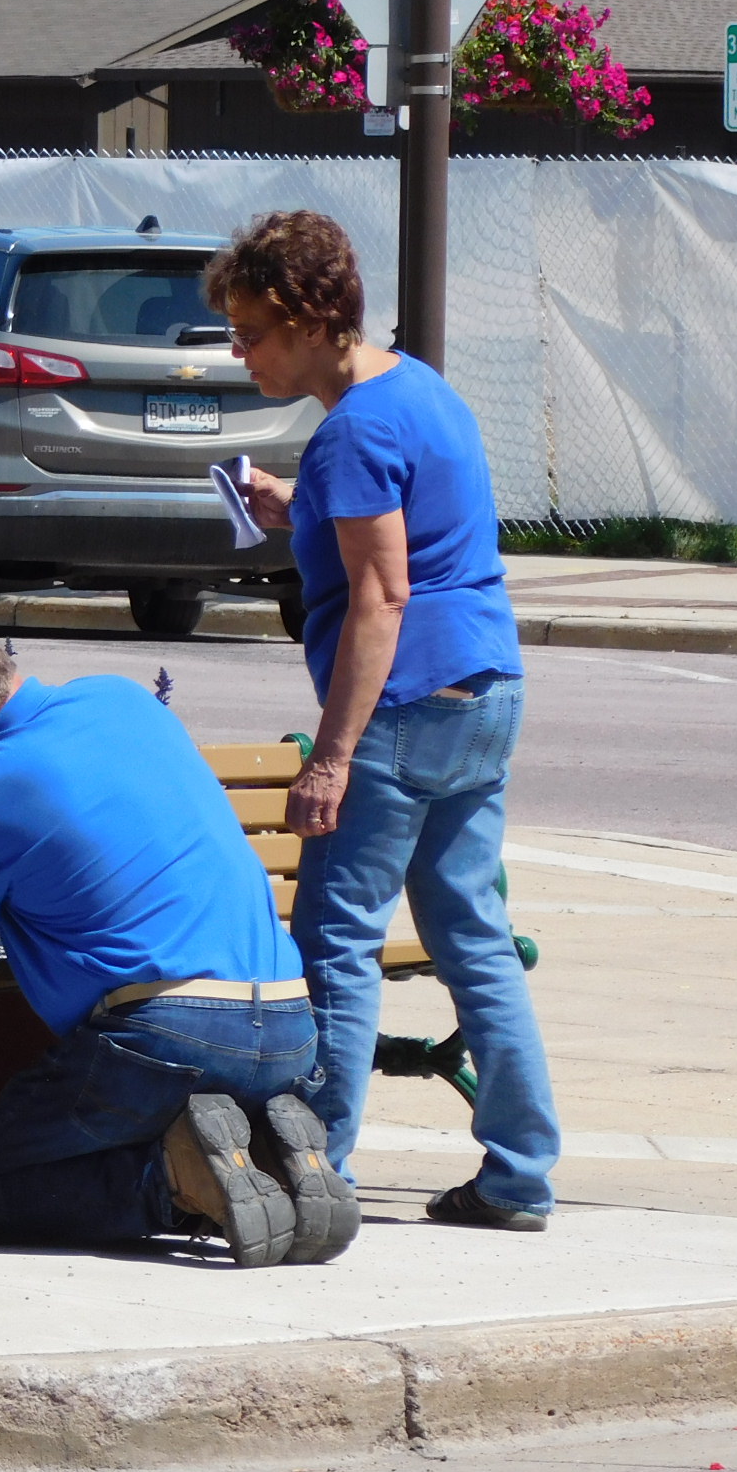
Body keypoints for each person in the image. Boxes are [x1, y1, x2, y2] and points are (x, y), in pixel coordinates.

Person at [0, 599, 358, 1268]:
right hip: (288, 1025)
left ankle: (175, 1180)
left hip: (166, 1038)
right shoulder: (122, 702)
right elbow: (31, 843)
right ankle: (272, 1159)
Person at [205, 209, 561, 1231]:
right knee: (474, 939)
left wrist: (331, 758)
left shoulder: (352, 432)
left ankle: (319, 1170)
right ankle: (520, 1175)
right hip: (486, 686)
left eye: (252, 333)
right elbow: (413, 533)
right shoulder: (419, 391)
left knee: (335, 941)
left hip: (403, 703)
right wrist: (298, 507)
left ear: (309, 318)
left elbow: (383, 595)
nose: (241, 354)